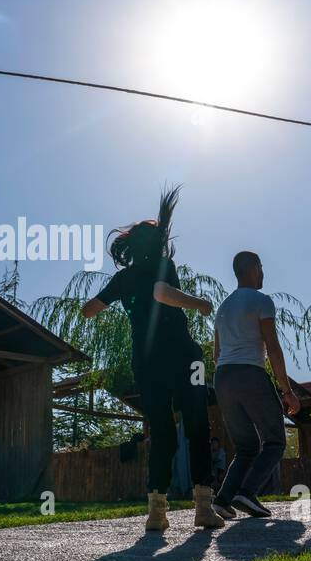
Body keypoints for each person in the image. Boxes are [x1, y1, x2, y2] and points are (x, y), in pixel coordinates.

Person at [82, 186, 224, 531]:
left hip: (146, 363)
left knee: (161, 431)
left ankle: (157, 513)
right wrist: (200, 303)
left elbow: (88, 311)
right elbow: (162, 293)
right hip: (185, 357)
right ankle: (204, 508)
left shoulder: (123, 278)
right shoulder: (164, 264)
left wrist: (117, 301)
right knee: (197, 426)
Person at [209, 251, 301, 520]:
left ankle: (223, 500)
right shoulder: (262, 301)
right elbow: (272, 346)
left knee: (247, 446)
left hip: (223, 377)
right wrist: (287, 391)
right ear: (252, 269)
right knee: (275, 440)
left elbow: (216, 355)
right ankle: (247, 492)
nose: (263, 272)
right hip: (250, 373)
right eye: (261, 267)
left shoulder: (223, 307)